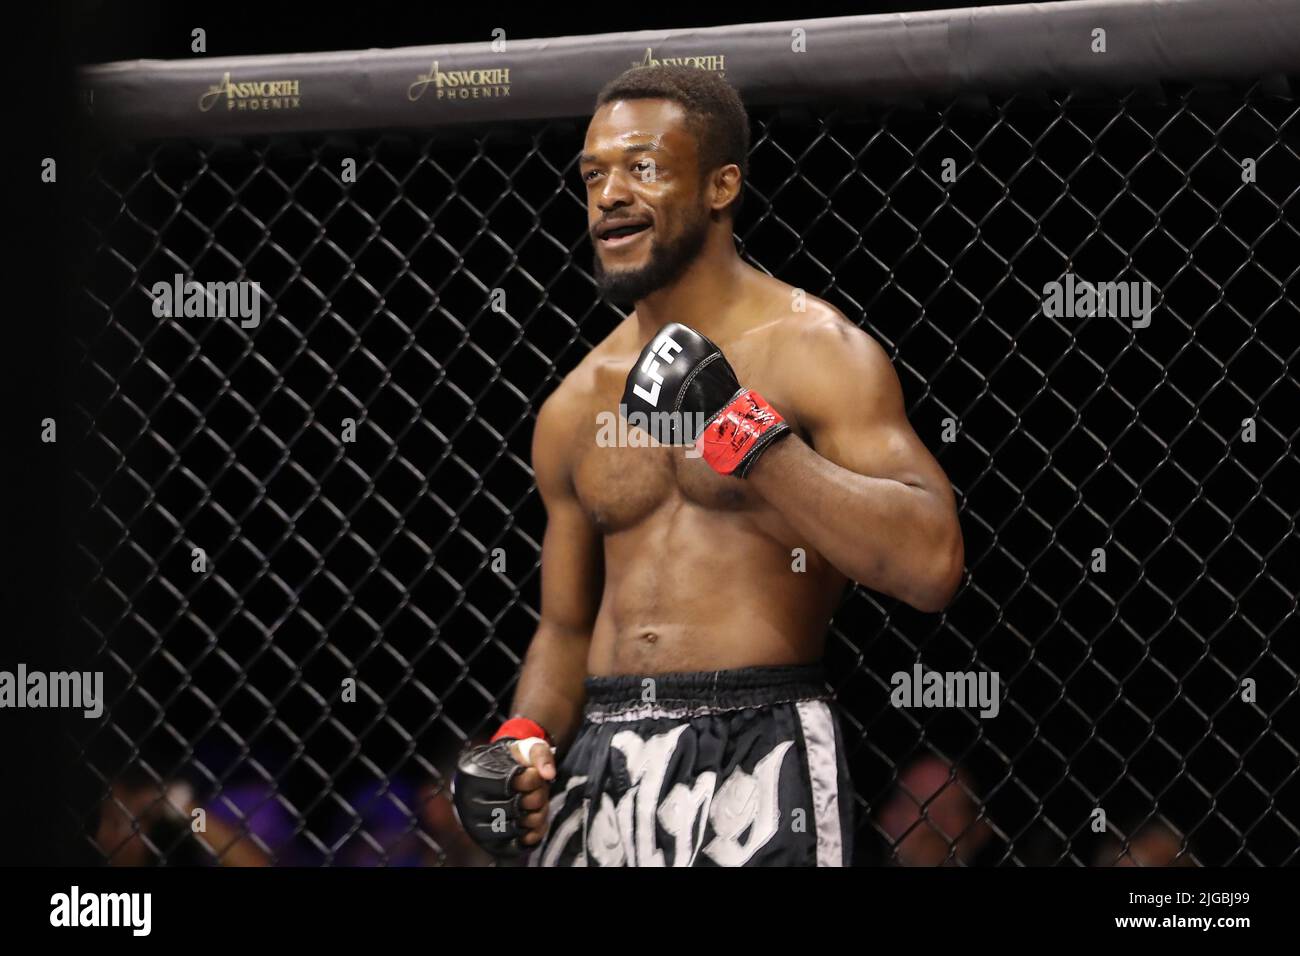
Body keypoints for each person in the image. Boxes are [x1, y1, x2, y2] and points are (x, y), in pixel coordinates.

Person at [453, 64, 963, 867]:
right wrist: (522, 741)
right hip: (604, 758)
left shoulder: (814, 351)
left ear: (722, 185)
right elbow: (566, 627)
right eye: (594, 174)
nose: (609, 194)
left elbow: (931, 562)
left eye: (643, 167)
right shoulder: (572, 407)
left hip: (759, 744)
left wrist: (744, 435)